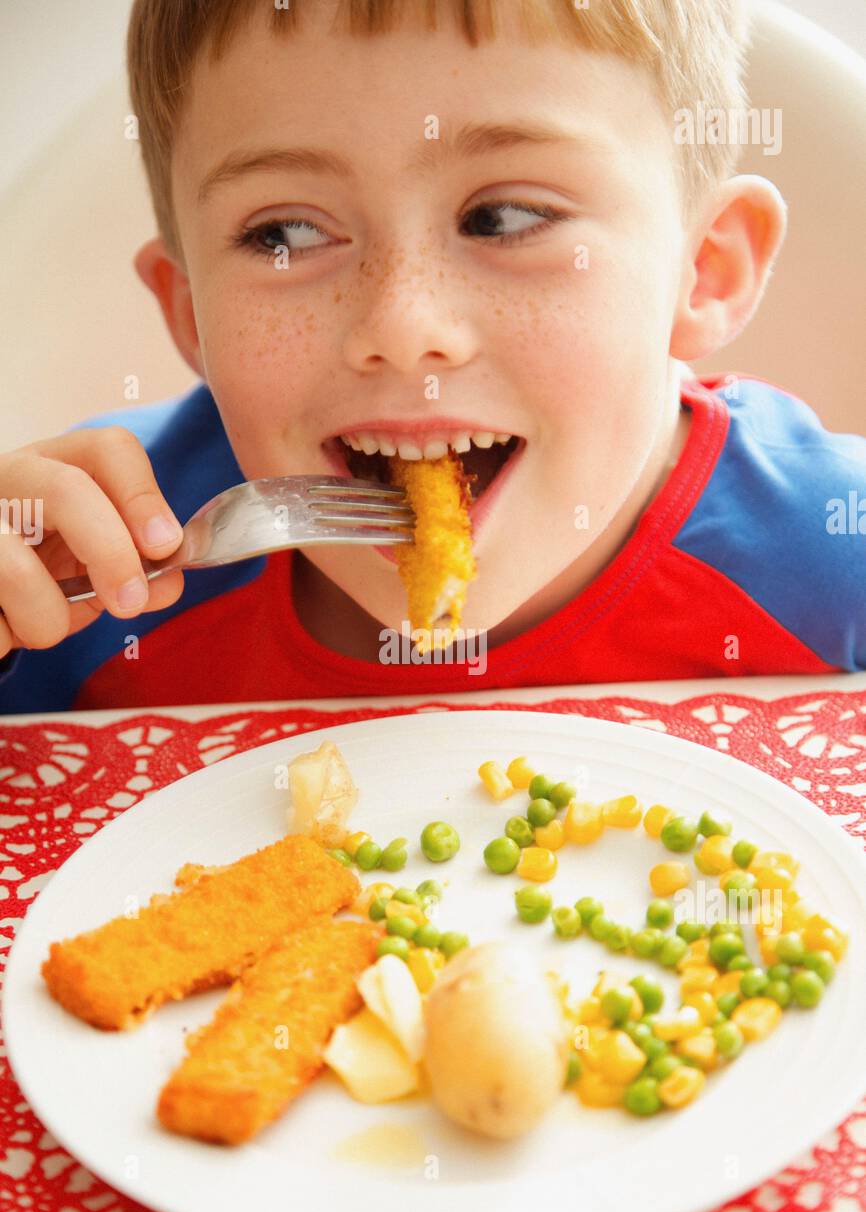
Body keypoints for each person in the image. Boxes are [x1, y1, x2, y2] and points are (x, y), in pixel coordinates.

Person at [1, 0, 864, 713]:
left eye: (504, 218)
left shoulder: (832, 552)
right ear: (191, 313)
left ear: (704, 269)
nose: (403, 326)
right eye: (286, 233)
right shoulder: (96, 561)